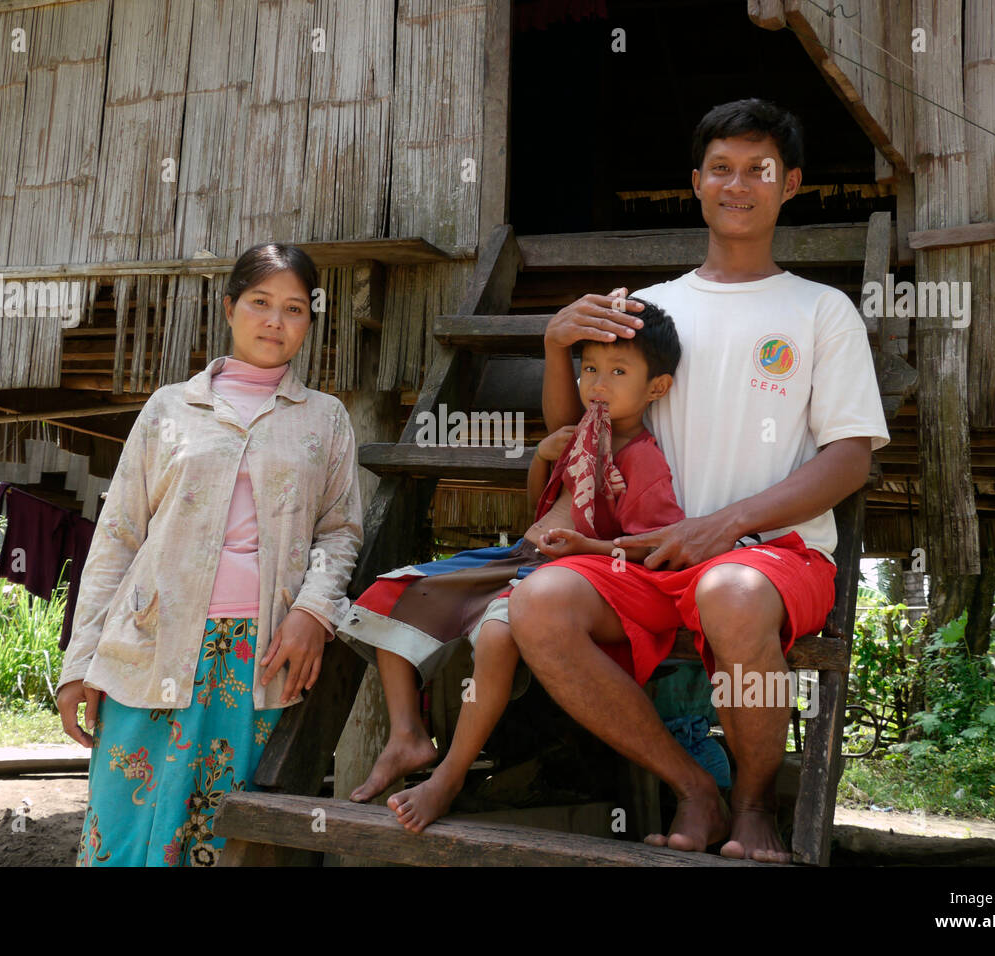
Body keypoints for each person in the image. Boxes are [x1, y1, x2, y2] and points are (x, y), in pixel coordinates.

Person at [507, 98, 891, 863]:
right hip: (648, 558)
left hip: (773, 557)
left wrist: (724, 527)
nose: (738, 184)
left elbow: (850, 458)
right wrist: (557, 346)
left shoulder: (823, 310)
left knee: (731, 591)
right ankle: (695, 787)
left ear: (791, 185)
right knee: (537, 603)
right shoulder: (647, 310)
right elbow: (581, 432)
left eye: (759, 170)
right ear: (696, 182)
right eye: (722, 168)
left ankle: (753, 804)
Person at [55, 242, 363, 866]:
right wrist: (80, 660)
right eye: (260, 303)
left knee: (224, 838)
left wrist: (314, 611)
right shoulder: (170, 407)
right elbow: (117, 535)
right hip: (149, 645)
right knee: (121, 833)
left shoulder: (324, 419)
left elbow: (340, 532)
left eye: (295, 309)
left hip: (259, 656)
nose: (275, 321)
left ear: (309, 321)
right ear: (229, 309)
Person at [339, 298, 689, 831]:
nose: (599, 383)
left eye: (619, 372)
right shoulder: (579, 437)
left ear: (656, 388)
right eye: (590, 368)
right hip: (518, 557)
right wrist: (545, 456)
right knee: (395, 588)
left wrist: (586, 550)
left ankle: (450, 775)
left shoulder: (642, 458)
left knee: (500, 636)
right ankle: (407, 735)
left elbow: (652, 545)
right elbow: (540, 504)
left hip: (564, 577)